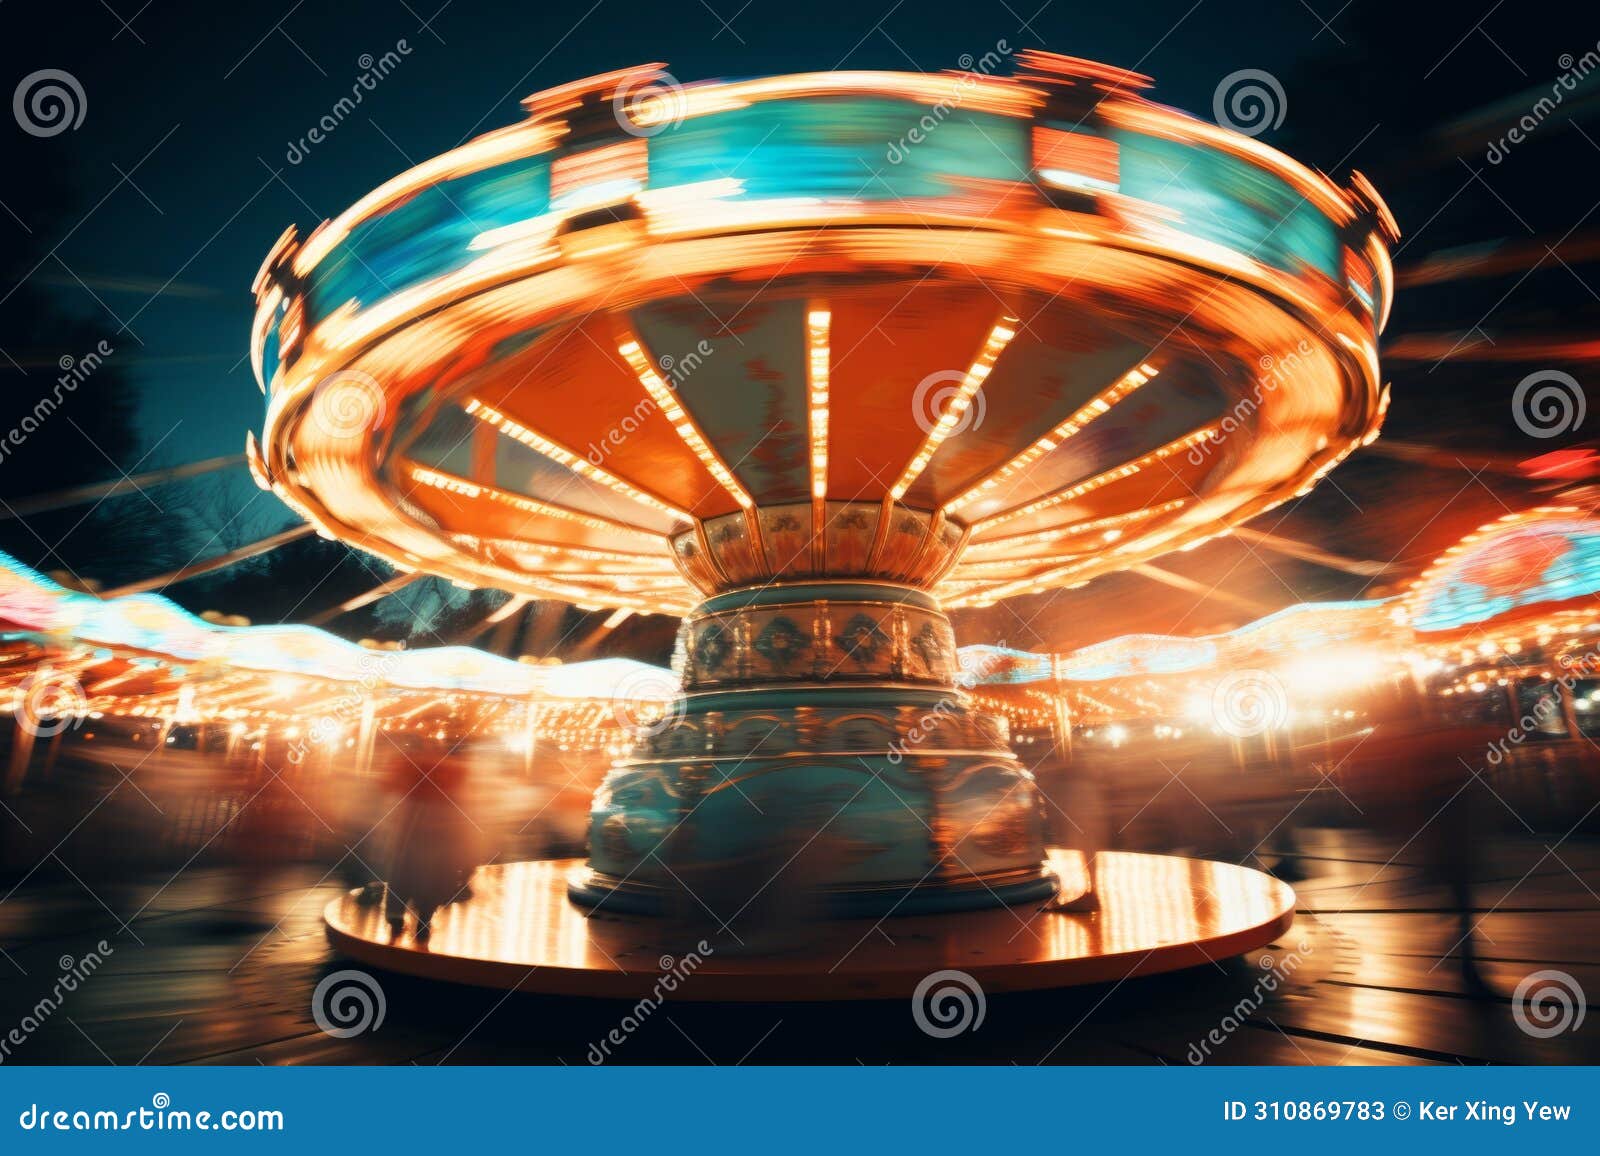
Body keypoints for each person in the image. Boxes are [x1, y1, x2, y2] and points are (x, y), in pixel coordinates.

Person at [383, 744, 482, 940]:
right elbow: (464, 824)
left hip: (413, 837)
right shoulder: (456, 776)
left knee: (404, 876)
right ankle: (424, 920)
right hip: (442, 839)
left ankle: (395, 916)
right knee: (433, 880)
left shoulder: (415, 774)